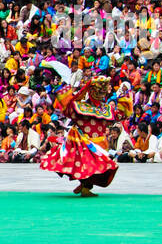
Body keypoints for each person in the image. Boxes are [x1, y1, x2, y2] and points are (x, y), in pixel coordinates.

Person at [38, 67, 133, 197]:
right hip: (84, 144)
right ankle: (85, 187)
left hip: (100, 145)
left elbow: (120, 116)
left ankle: (84, 186)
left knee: (100, 168)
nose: (101, 93)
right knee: (87, 166)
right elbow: (68, 109)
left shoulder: (106, 109)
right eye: (99, 90)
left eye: (103, 91)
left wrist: (123, 98)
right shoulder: (80, 106)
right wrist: (66, 88)